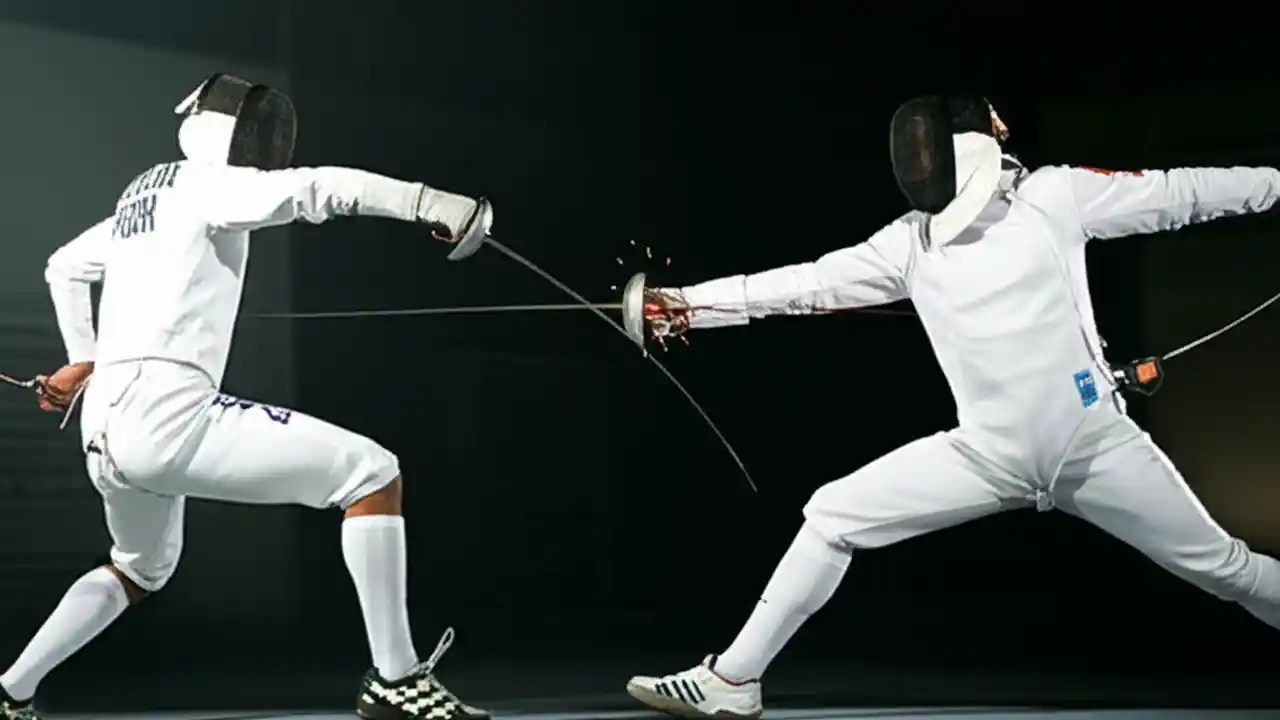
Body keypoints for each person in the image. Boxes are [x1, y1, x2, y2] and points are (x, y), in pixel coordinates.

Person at [624, 93, 1280, 720]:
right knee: (833, 515)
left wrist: (1275, 184)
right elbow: (807, 285)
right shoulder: (911, 243)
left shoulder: (1050, 197)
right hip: (988, 455)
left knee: (1226, 568)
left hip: (1094, 445)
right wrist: (686, 305)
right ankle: (731, 681)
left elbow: (1181, 193)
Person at [0, 74, 491, 720]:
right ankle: (395, 680)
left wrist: (84, 361)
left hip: (103, 430)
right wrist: (433, 203)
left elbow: (64, 266)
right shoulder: (212, 184)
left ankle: (11, 691)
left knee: (140, 568)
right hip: (165, 417)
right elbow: (320, 188)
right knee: (372, 473)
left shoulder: (144, 195)